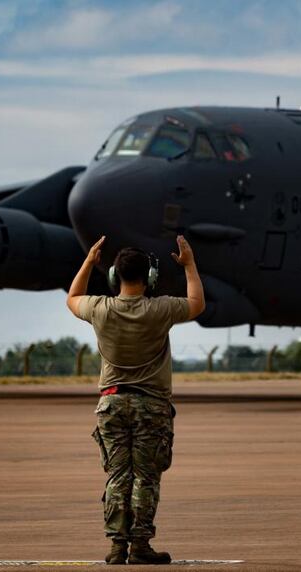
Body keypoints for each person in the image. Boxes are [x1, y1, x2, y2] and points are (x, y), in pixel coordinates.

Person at [66, 234, 205, 565]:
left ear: (115, 277)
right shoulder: (161, 309)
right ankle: (140, 545)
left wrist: (88, 262)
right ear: (150, 278)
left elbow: (73, 297)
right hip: (151, 406)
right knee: (146, 476)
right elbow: (196, 303)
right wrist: (189, 265)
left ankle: (117, 546)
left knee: (117, 475)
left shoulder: (99, 308)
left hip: (111, 404)